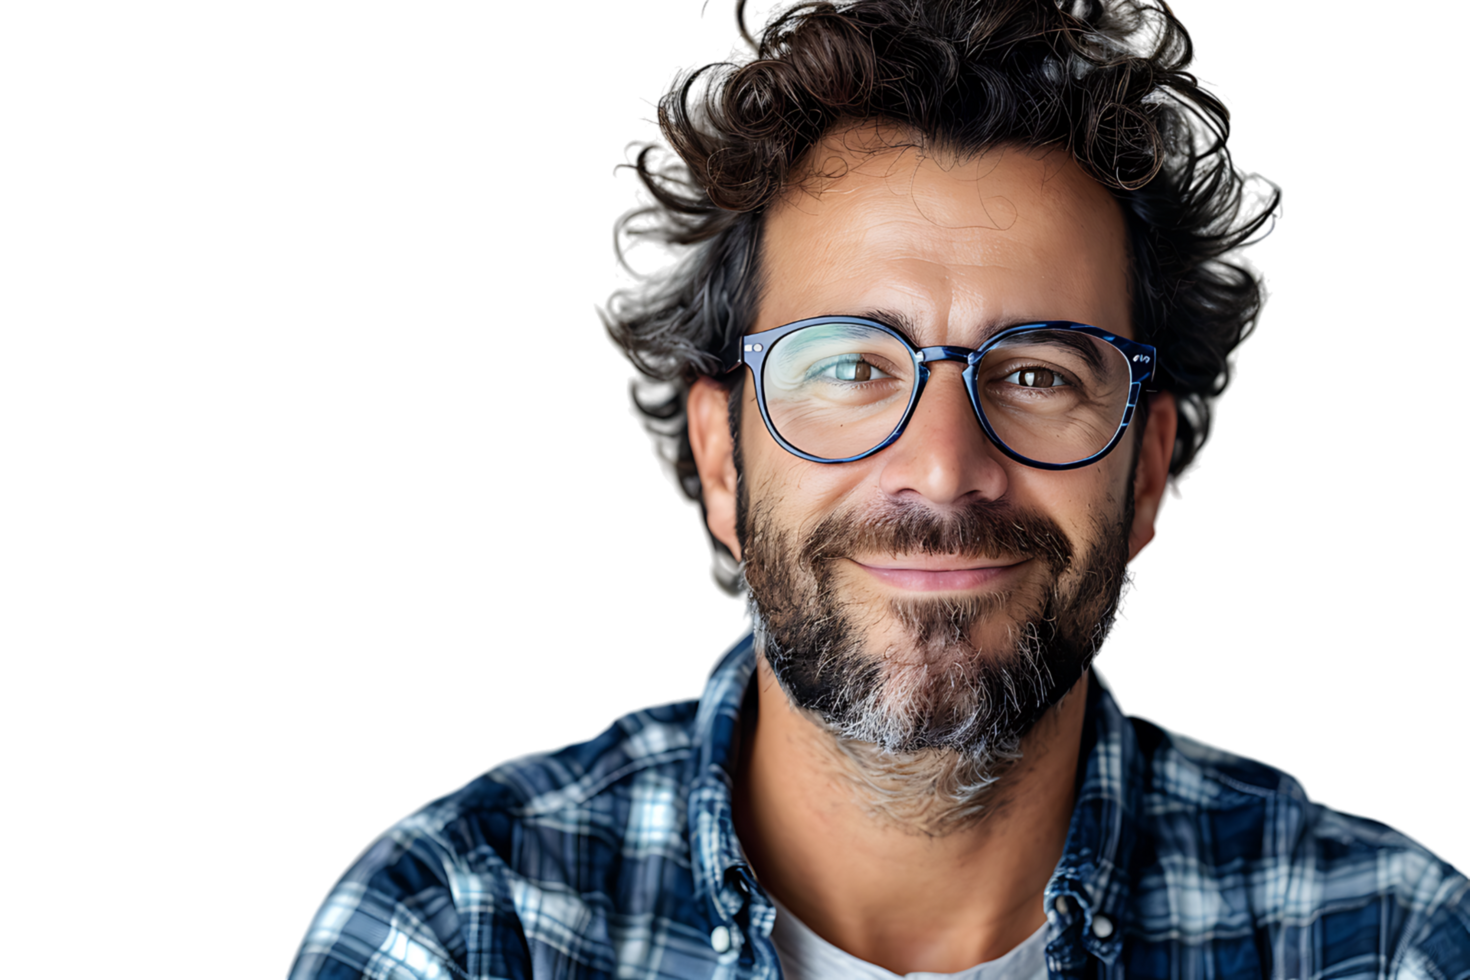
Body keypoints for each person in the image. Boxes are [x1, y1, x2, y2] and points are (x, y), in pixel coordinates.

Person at [283, 2, 1467, 978]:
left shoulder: (1387, 938)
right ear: (720, 459)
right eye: (850, 365)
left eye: (1038, 372)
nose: (945, 466)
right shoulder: (457, 927)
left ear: (1147, 467)